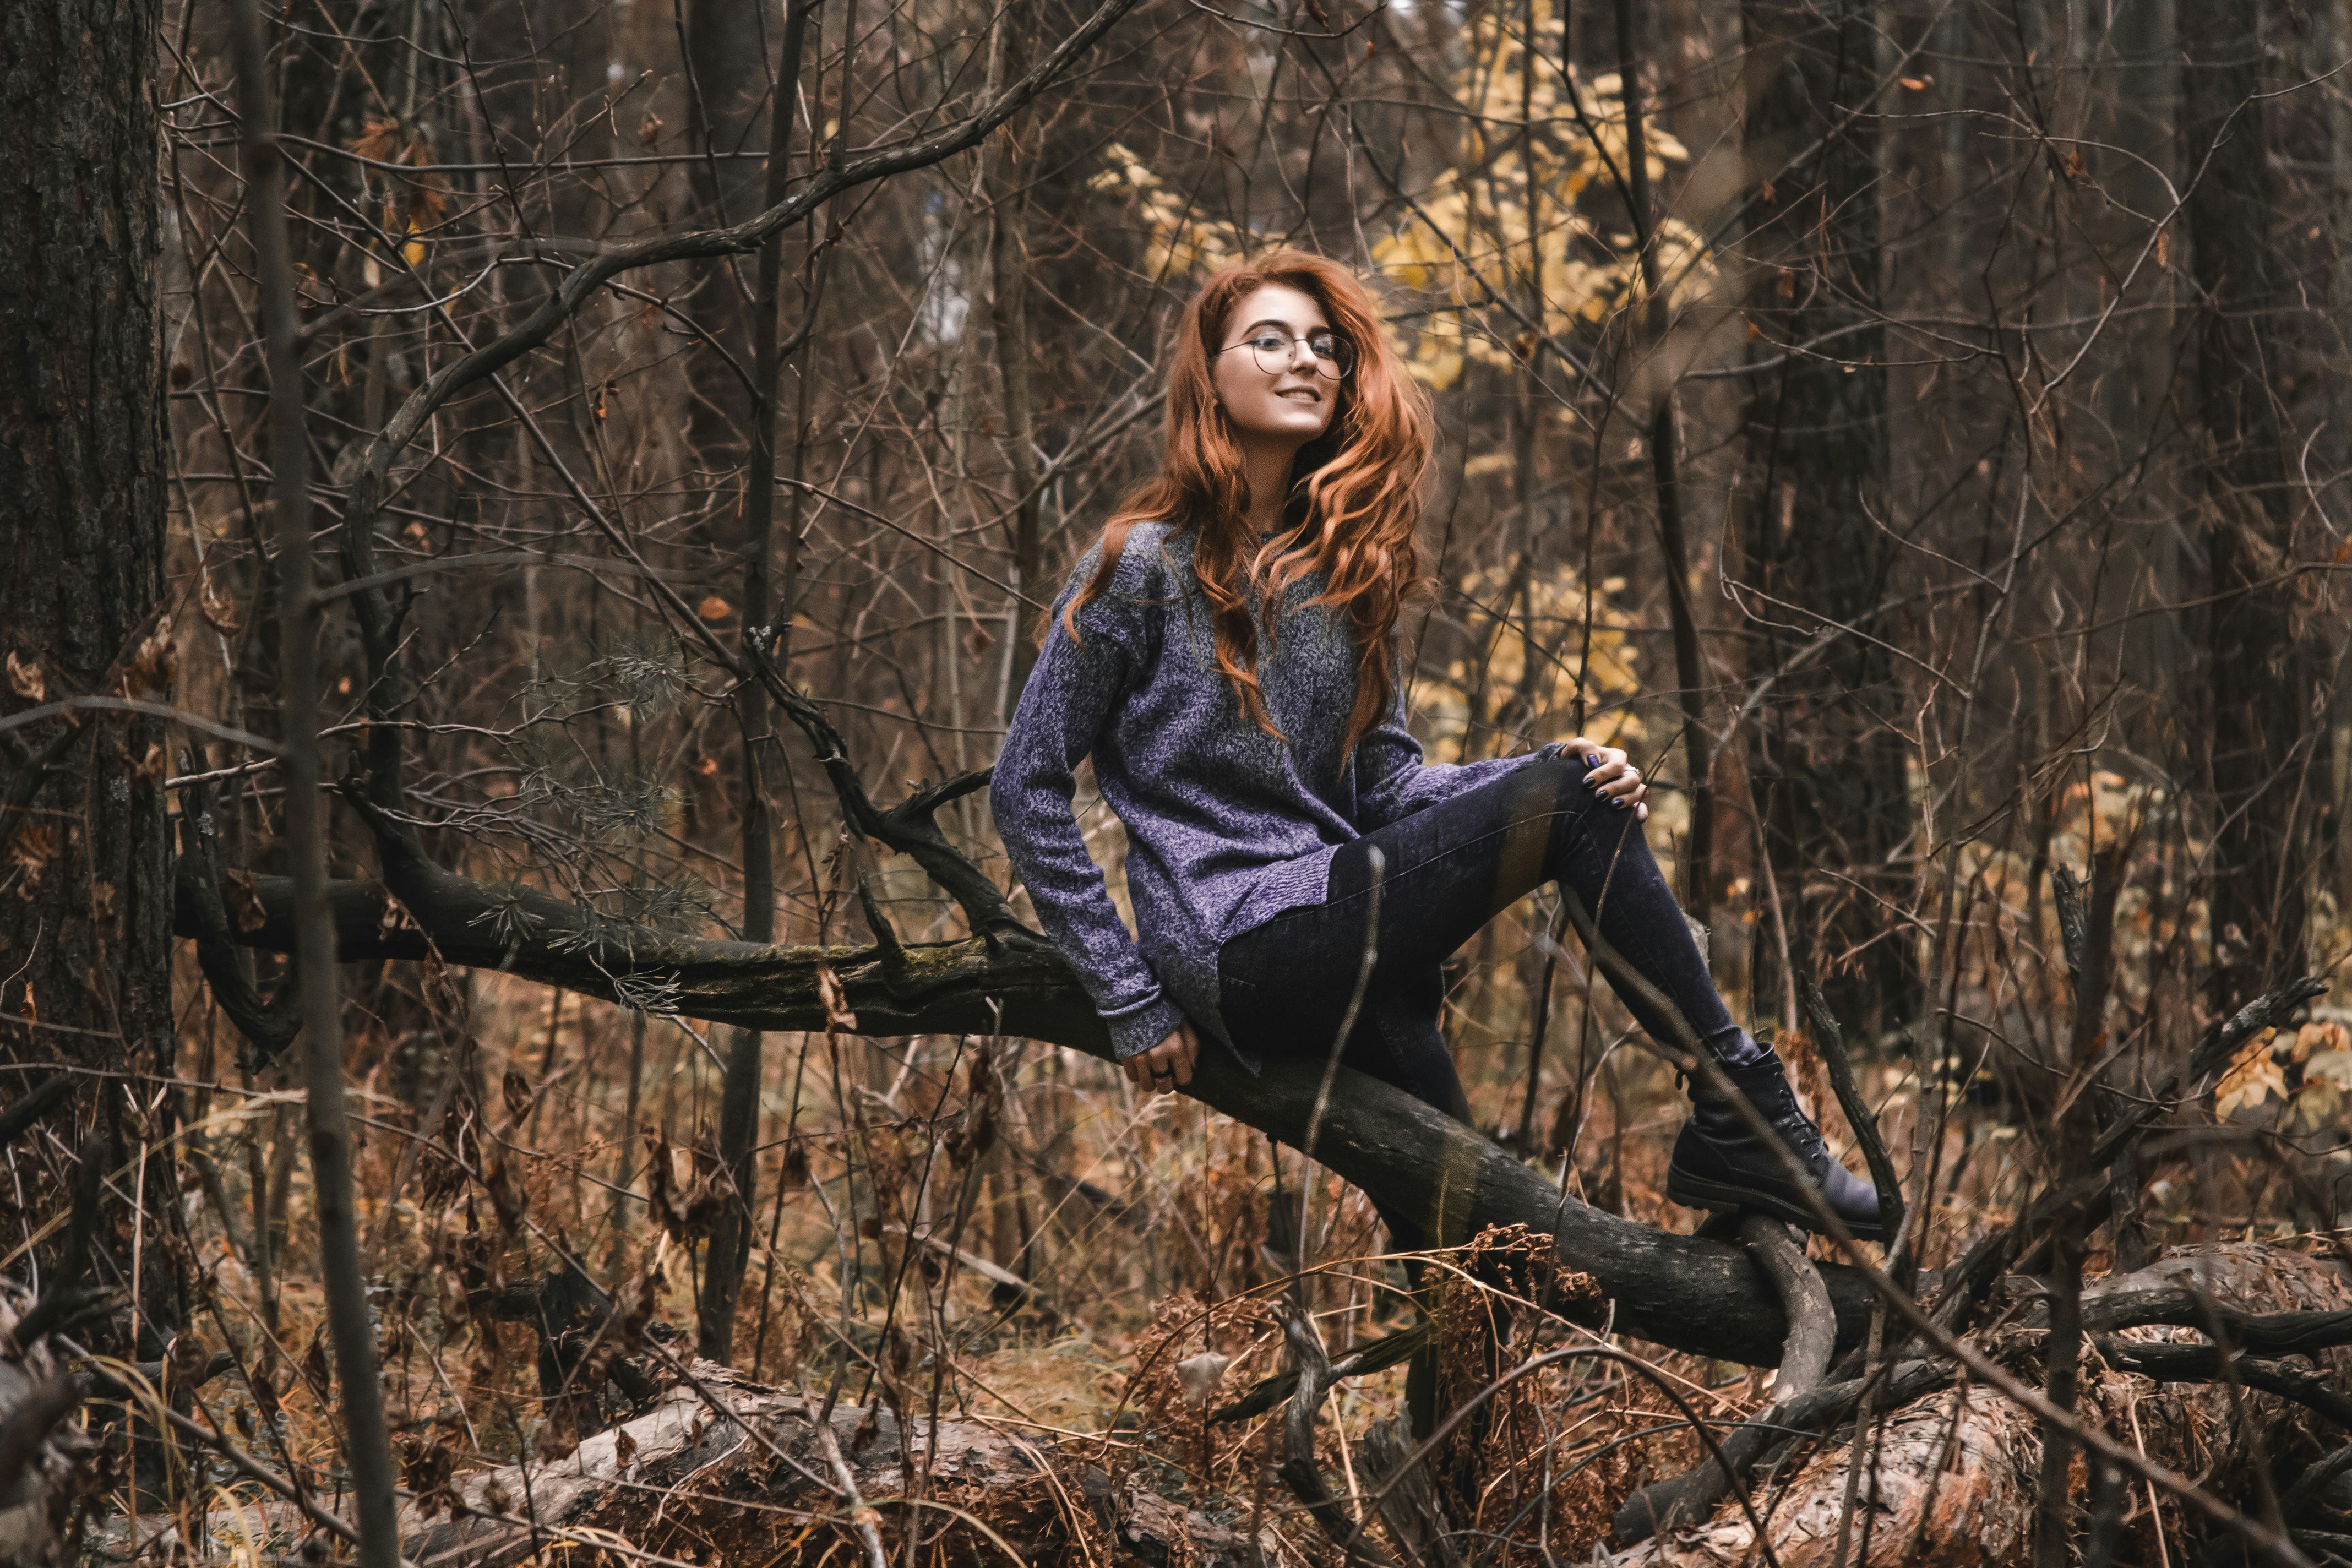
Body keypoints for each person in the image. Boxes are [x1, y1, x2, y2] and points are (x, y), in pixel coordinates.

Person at [987, 251, 1880, 1249]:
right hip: (1240, 945)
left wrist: (1551, 772)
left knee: (1470, 1244)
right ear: (1211, 374)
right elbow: (1024, 788)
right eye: (1271, 340)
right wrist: (1127, 993)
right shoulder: (1138, 566)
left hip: (1346, 933)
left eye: (1326, 347)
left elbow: (1388, 784)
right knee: (1565, 804)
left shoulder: (1344, 576)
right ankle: (1745, 1115)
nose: (1307, 362)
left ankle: (1462, 1407)